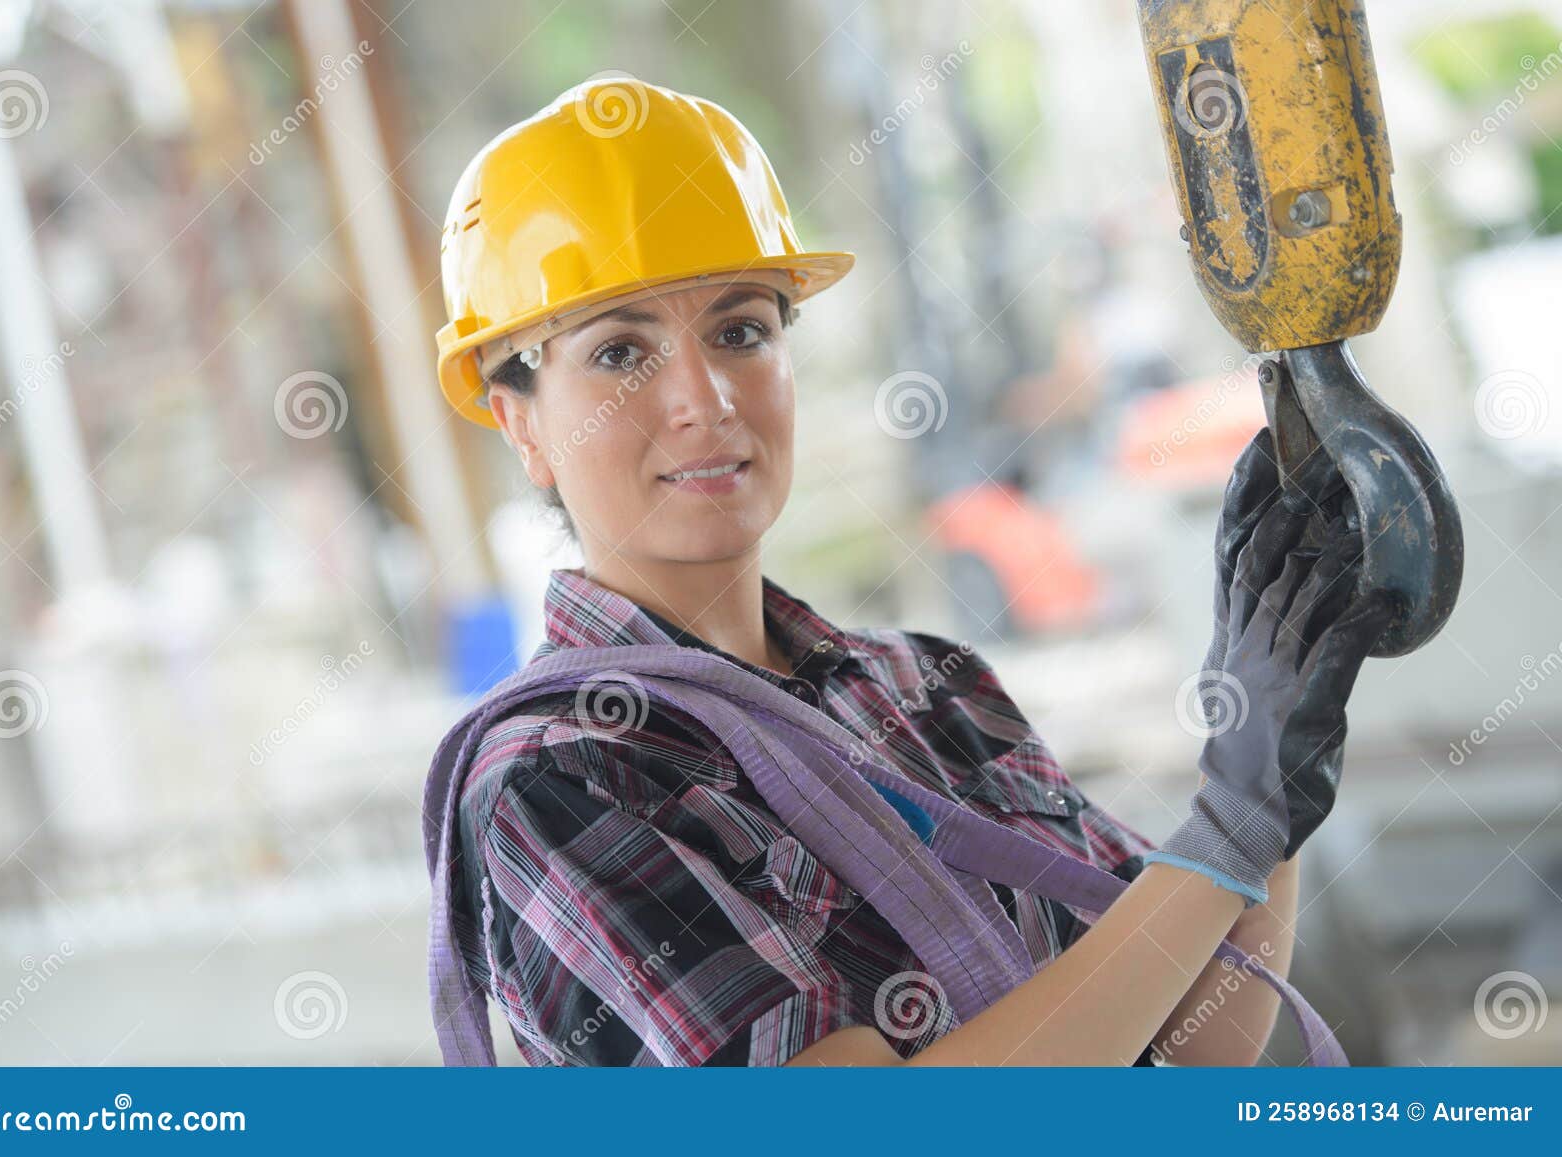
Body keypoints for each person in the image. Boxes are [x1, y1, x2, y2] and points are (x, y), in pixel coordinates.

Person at [426, 77, 1393, 1067]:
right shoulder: (559, 778)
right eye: (621, 351)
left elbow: (1191, 1043)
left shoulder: (930, 686)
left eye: (740, 330)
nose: (704, 398)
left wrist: (1267, 793)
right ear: (521, 423)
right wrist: (1222, 834)